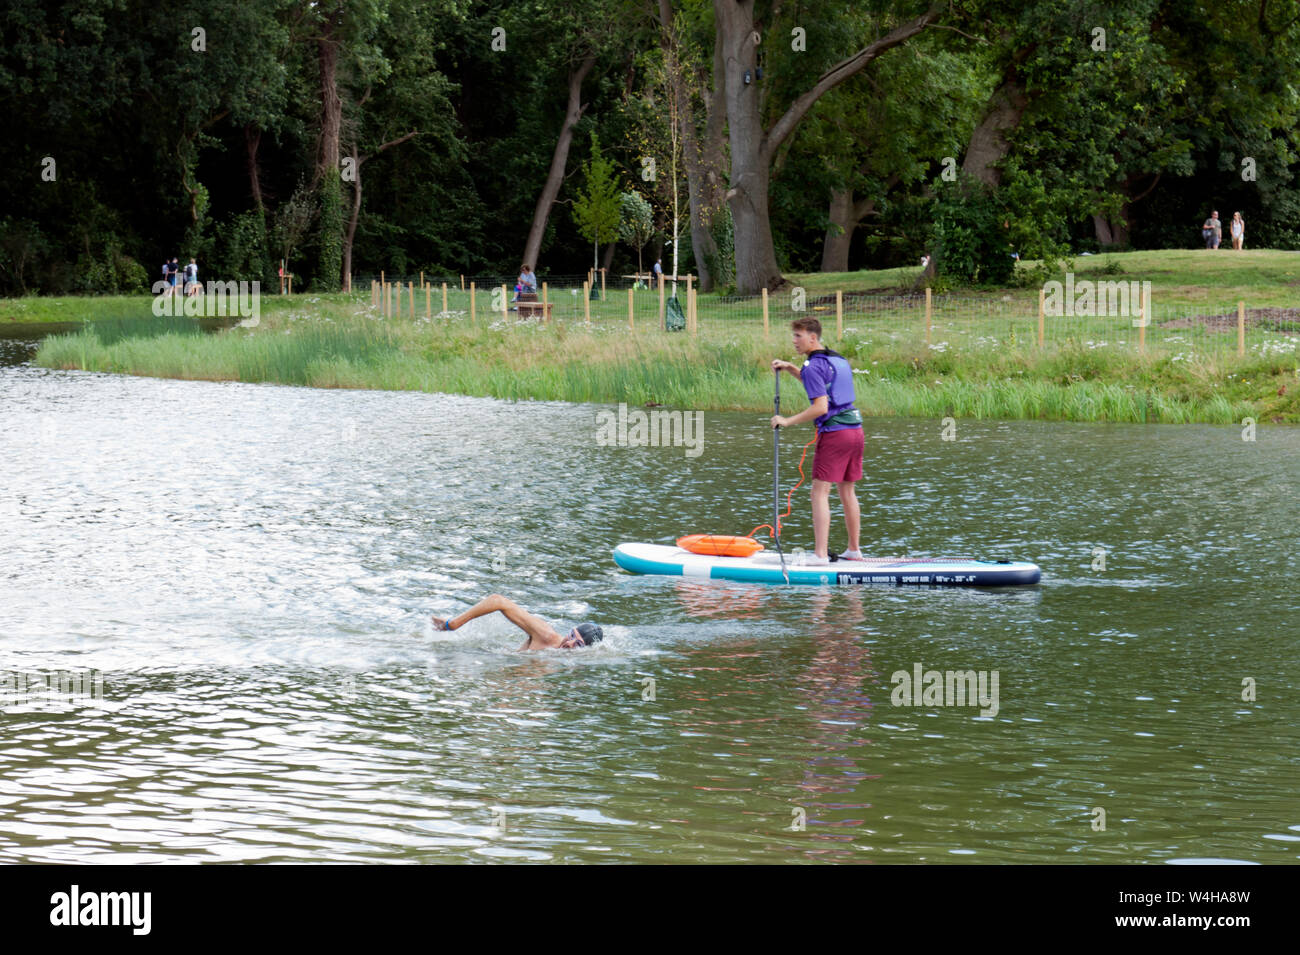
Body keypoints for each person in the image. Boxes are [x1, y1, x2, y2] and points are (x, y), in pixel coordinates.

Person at [770, 317, 865, 564]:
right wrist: (792, 369)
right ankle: (854, 550)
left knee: (819, 493)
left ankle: (820, 555)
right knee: (847, 490)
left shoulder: (813, 366)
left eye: (798, 336)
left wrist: (787, 421)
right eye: (793, 335)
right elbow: (822, 386)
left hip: (835, 434)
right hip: (855, 431)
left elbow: (821, 407)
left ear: (813, 338)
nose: (794, 340)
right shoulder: (837, 360)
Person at [432, 594, 603, 651]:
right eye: (572, 636)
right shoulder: (546, 635)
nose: (570, 644)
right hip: (480, 656)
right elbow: (498, 600)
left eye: (578, 644)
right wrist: (453, 624)